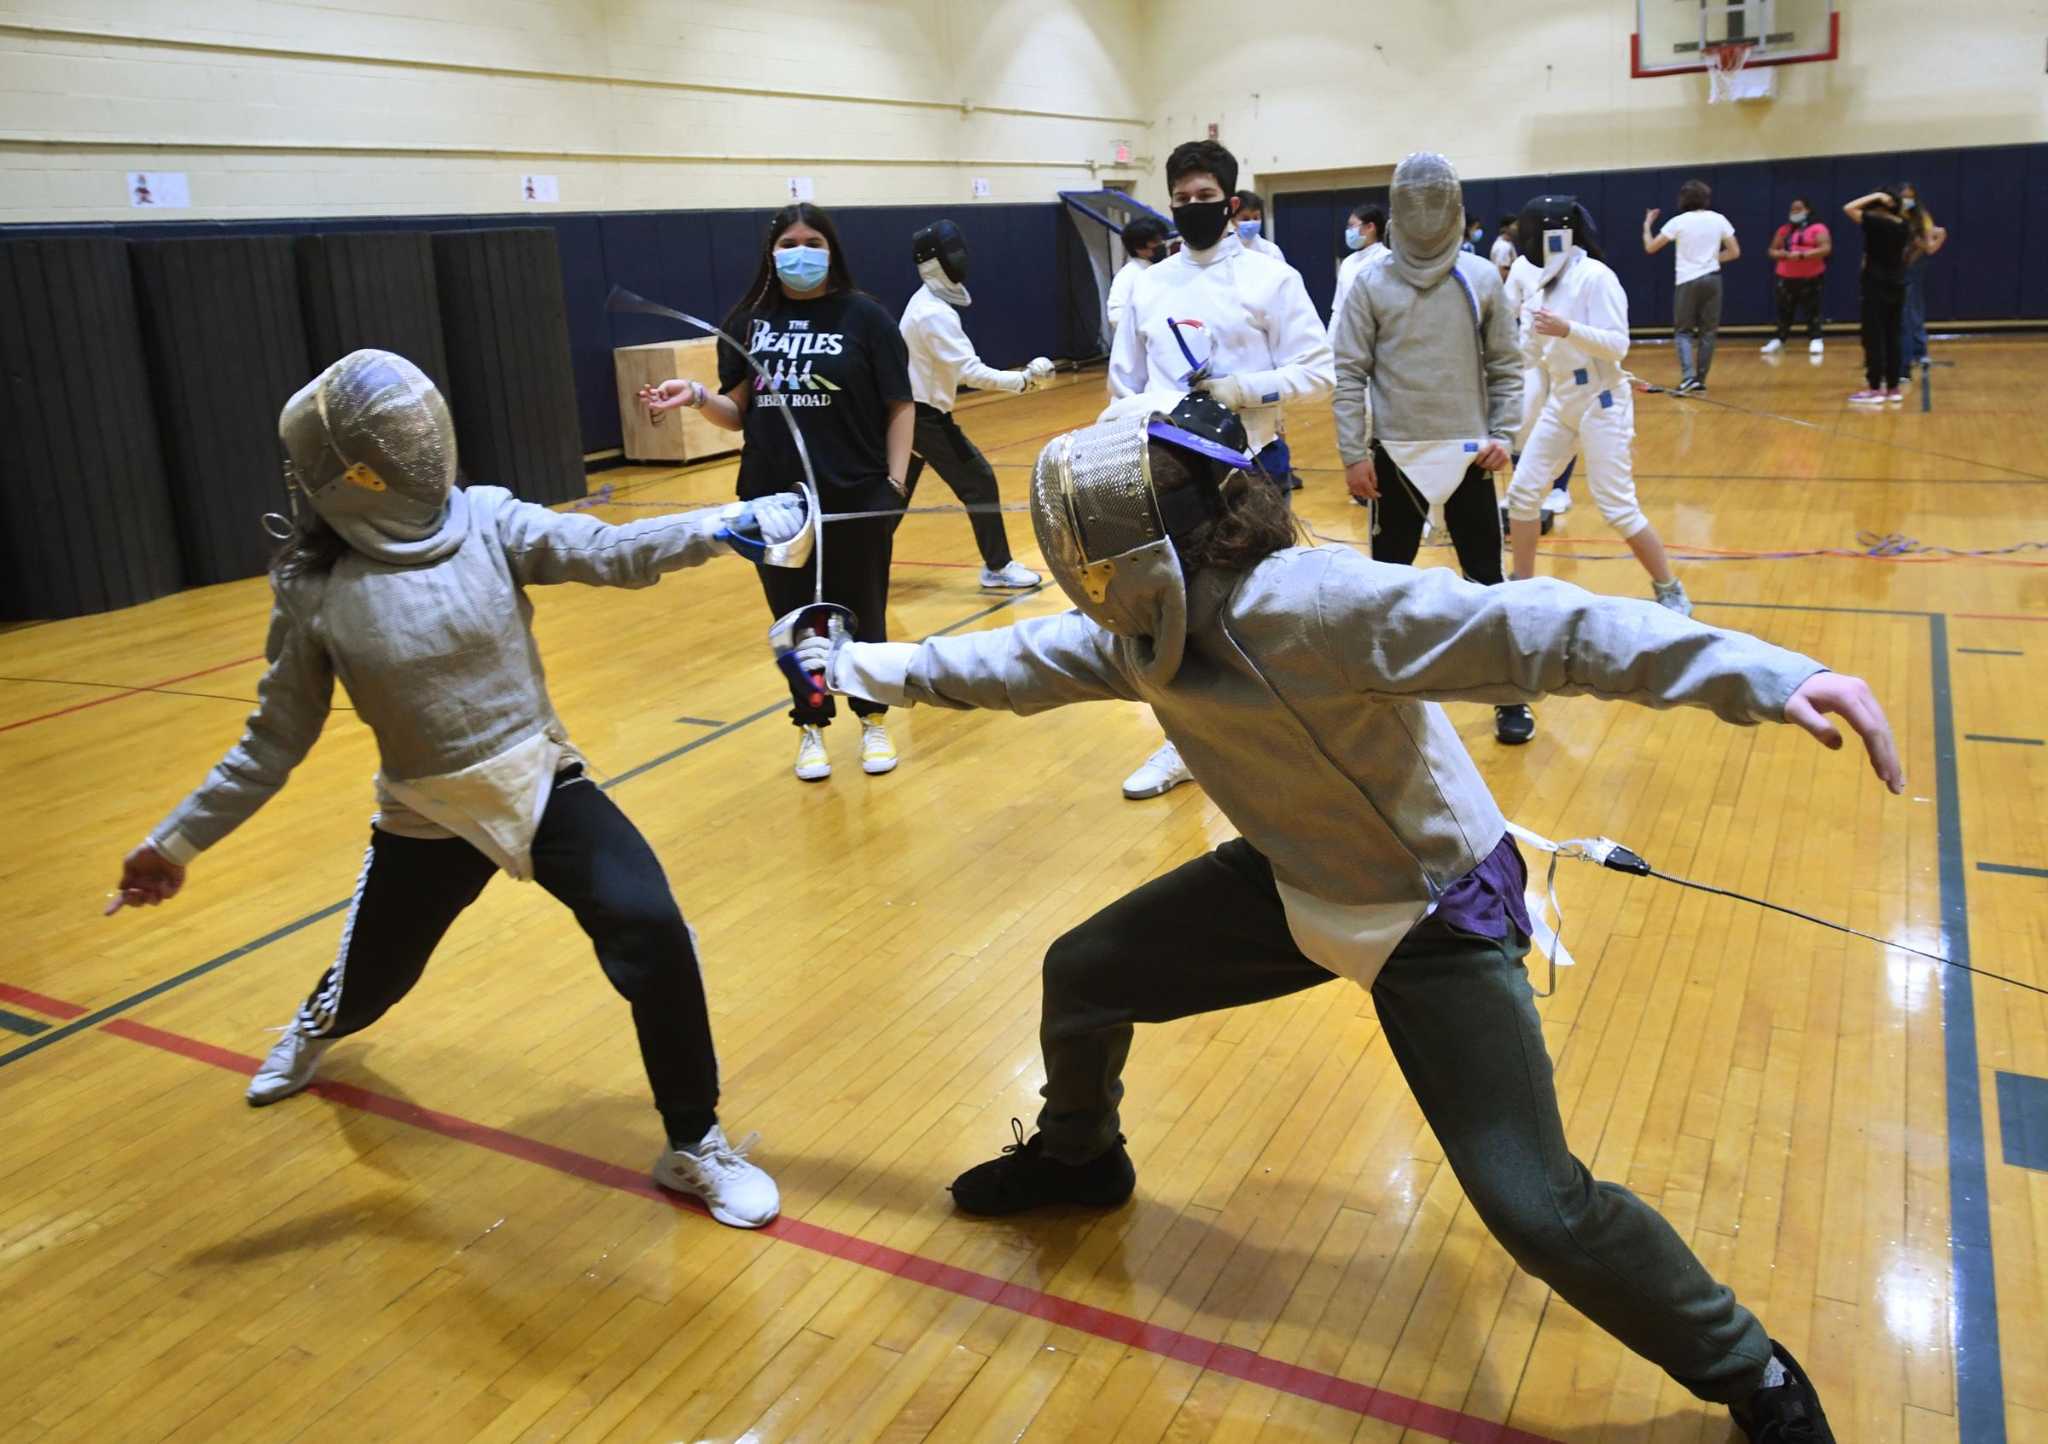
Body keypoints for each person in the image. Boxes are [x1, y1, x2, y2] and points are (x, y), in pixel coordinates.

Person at [794, 393, 1901, 1444]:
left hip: (1427, 917)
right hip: (1285, 881)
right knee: (1082, 975)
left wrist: (1763, 672)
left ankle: (1747, 1365)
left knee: (1536, 1206)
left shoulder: (1317, 603)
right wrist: (850, 662)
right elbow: (1006, 659)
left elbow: (1536, 625)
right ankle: (1078, 1157)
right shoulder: (1138, 635)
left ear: (1182, 534)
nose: (1092, 580)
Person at [110, 350, 795, 1228]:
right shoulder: (314, 588)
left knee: (652, 925)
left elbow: (611, 548)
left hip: (541, 780)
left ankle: (693, 1141)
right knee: (374, 982)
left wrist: (725, 524)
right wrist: (174, 841)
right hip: (428, 814)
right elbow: (270, 744)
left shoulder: (487, 520)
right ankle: (317, 1025)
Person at [644, 202, 914, 782]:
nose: (800, 252)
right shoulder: (748, 322)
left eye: (812, 241)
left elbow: (900, 403)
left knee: (863, 614)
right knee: (794, 622)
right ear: (772, 252)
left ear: (831, 249)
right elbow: (737, 412)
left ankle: (873, 721)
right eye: (788, 242)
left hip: (855, 494)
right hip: (771, 503)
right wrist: (690, 395)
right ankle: (811, 726)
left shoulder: (865, 317)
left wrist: (892, 484)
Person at [1109, 138, 1334, 800]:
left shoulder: (1272, 279)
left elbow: (1317, 371)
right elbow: (1123, 384)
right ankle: (1184, 744)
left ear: (1231, 204)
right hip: (1167, 473)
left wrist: (1240, 391)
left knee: (1266, 613)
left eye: (1205, 198)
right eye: (1181, 200)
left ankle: (1289, 738)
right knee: (1171, 619)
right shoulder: (1149, 286)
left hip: (1252, 466)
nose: (1192, 208)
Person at [1331, 151, 1529, 745]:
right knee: (1386, 586)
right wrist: (1352, 453)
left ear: (1455, 206)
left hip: (1469, 453)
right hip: (1394, 455)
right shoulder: (1368, 281)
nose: (1423, 213)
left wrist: (1505, 433)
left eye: (1433, 200)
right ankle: (1380, 697)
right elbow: (1349, 373)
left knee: (1487, 583)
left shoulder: (1482, 277)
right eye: (1411, 201)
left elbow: (1506, 365)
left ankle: (1508, 696)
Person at [1506, 195, 1692, 615]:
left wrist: (1566, 328)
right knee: (1522, 494)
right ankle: (1521, 587)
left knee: (1616, 506)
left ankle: (1669, 588)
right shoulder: (1538, 283)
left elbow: (1617, 345)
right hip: (1562, 399)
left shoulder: (1596, 277)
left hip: (1602, 401)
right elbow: (1528, 353)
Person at [896, 219, 1050, 592]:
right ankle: (997, 566)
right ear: (934, 262)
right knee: (979, 481)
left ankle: (852, 558)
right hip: (922, 418)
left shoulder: (928, 304)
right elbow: (969, 372)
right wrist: (1022, 379)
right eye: (952, 253)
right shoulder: (932, 313)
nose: (960, 259)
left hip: (913, 413)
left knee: (892, 497)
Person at [1502, 244, 1578, 523]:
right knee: (1522, 420)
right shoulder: (1521, 265)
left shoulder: (1578, 262)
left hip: (1568, 354)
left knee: (1566, 419)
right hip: (1530, 355)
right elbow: (1506, 308)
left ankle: (1559, 490)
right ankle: (1521, 487)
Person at [1644, 179, 1739, 393]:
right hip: (1713, 279)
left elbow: (1651, 248)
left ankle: (1688, 377)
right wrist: (1712, 260)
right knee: (1708, 332)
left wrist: (1646, 225)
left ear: (1683, 199)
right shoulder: (1719, 219)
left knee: (1683, 332)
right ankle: (1700, 379)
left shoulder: (1678, 221)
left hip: (1687, 280)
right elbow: (1734, 252)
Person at [1842, 189, 1915, 405]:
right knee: (1893, 336)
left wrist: (1875, 195)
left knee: (1874, 336)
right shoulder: (1904, 225)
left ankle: (1874, 389)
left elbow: (1849, 208)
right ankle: (1893, 388)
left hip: (1876, 285)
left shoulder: (1876, 222)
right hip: (1897, 284)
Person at [1762, 197, 1830, 359]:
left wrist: (1802, 255)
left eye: (1799, 209)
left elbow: (1825, 248)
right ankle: (1779, 339)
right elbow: (1772, 250)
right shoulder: (1784, 230)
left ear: (1808, 210)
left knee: (1812, 309)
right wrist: (1781, 254)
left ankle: (1815, 339)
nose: (1795, 212)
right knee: (1784, 310)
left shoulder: (1818, 228)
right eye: (1792, 209)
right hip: (1785, 276)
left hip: (1811, 276)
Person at [1897, 182, 1949, 373]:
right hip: (1896, 267)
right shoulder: (1895, 215)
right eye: (1903, 196)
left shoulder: (1921, 216)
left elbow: (1930, 246)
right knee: (1904, 311)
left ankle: (1917, 352)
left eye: (1909, 197)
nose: (1906, 200)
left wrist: (1939, 236)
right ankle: (1908, 352)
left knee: (1912, 310)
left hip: (1914, 268)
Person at [1107, 215, 1172, 338]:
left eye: (1162, 240)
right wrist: (1148, 330)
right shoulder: (1127, 275)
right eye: (1156, 242)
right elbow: (1115, 316)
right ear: (1138, 248)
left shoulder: (1166, 267)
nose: (1162, 244)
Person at [1329, 202, 1387, 324]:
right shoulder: (1347, 263)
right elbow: (1338, 310)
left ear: (1370, 227)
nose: (1348, 231)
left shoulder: (1386, 260)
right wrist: (1330, 342)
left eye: (1352, 226)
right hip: (1348, 333)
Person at [1231, 189, 1286, 262]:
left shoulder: (1271, 251)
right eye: (1245, 219)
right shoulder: (1223, 250)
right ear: (1233, 220)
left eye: (1256, 218)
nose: (1251, 223)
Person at [1489, 215, 1518, 280]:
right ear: (1505, 228)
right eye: (1515, 225)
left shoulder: (1508, 243)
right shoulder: (1503, 246)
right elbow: (1502, 273)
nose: (1517, 228)